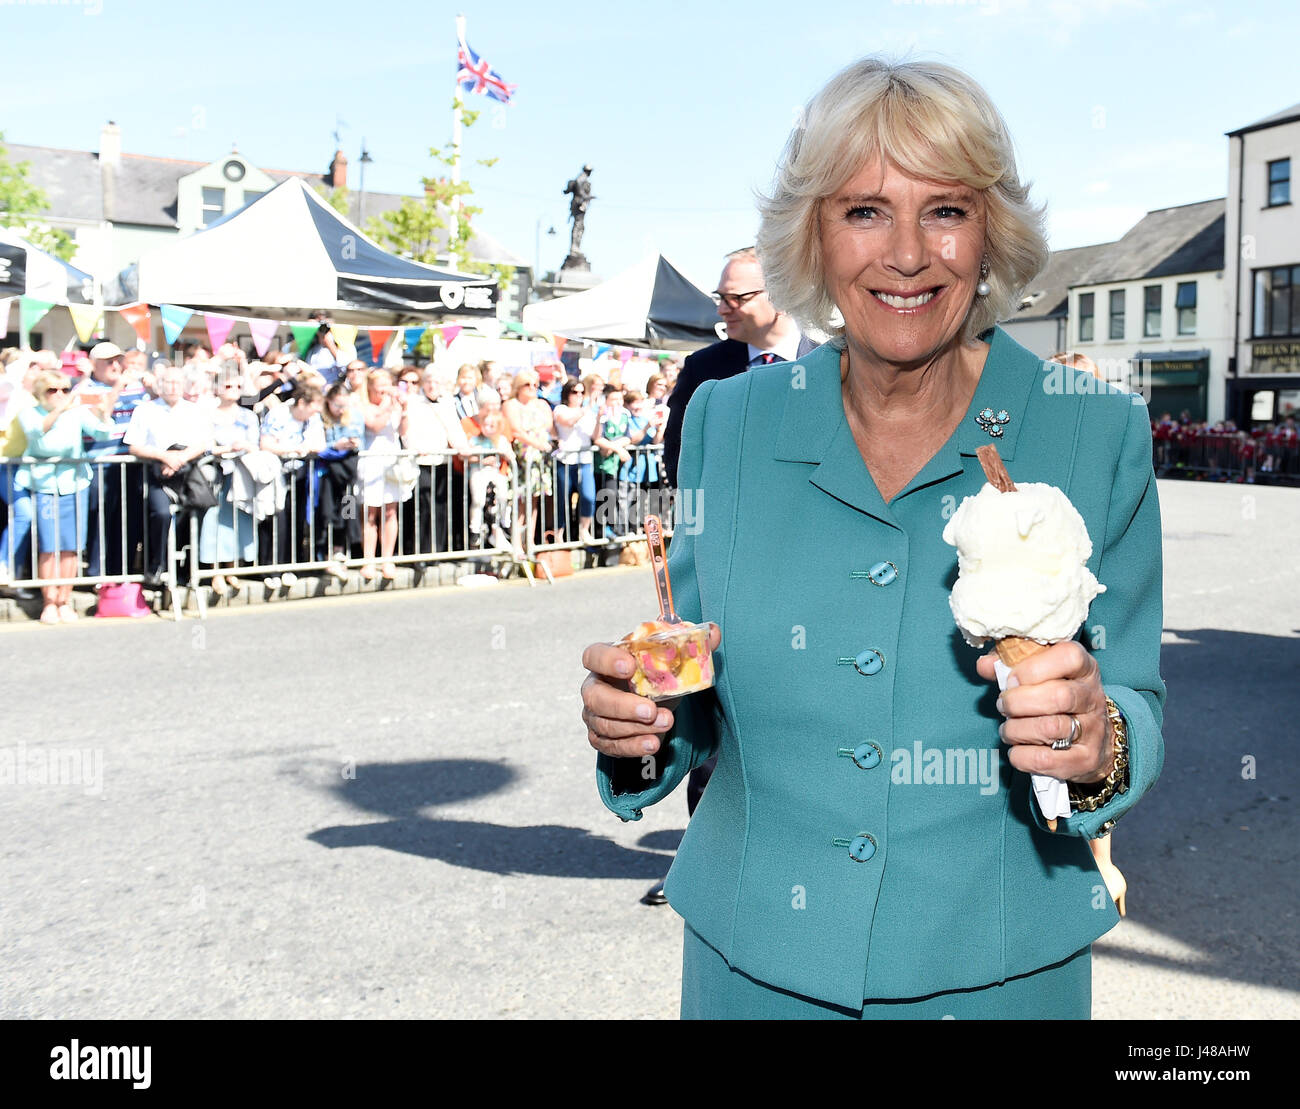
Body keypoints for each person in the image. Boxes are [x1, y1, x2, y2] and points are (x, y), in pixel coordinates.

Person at [579, 57, 1165, 1019]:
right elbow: (689, 697)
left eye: (945, 209)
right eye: (863, 211)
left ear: (990, 236)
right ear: (813, 237)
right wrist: (637, 732)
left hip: (1001, 974)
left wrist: (1099, 742)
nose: (906, 253)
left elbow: (1135, 694)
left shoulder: (1094, 429)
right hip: (754, 970)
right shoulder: (727, 422)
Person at [662, 247, 819, 488]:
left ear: (780, 295)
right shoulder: (702, 368)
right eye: (721, 297)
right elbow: (679, 458)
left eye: (736, 298)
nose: (722, 309)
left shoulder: (830, 360)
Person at [18, 370, 119, 622]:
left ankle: (64, 600)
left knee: (71, 547)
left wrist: (105, 412)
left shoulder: (77, 412)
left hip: (75, 484)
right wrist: (60, 410)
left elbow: (103, 433)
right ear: (40, 393)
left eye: (64, 389)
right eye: (53, 390)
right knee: (49, 547)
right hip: (44, 485)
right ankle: (49, 602)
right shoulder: (30, 411)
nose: (60, 395)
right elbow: (36, 435)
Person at [124, 364, 215, 587]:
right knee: (161, 514)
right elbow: (134, 446)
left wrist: (179, 458)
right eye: (168, 382)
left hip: (187, 472)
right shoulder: (145, 409)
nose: (173, 387)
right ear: (160, 385)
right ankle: (157, 563)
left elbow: (203, 443)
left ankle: (186, 569)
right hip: (156, 472)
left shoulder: (193, 410)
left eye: (177, 382)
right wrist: (164, 457)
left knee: (196, 512)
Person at [200, 364, 261, 596]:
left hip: (242, 476)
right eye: (228, 385)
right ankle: (215, 572)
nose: (234, 389)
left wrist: (244, 447)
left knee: (238, 522)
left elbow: (255, 443)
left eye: (238, 385)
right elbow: (205, 445)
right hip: (217, 475)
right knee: (214, 522)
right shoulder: (209, 415)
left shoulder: (248, 415)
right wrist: (224, 448)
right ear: (217, 388)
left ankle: (232, 569)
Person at [259, 381, 326, 585]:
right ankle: (270, 568)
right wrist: (291, 449)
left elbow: (320, 444)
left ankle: (290, 565)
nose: (314, 413)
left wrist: (303, 448)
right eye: (312, 407)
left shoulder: (312, 419)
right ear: (302, 403)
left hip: (299, 473)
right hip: (275, 474)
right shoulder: (279, 414)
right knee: (275, 520)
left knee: (295, 520)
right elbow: (266, 443)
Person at [358, 369, 411, 580]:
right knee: (370, 513)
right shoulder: (364, 405)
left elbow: (404, 431)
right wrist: (390, 404)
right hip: (370, 460)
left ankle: (387, 558)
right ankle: (368, 559)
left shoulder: (394, 407)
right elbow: (375, 424)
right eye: (379, 385)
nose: (384, 389)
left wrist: (404, 409)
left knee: (390, 511)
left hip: (391, 462)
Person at [552, 378, 596, 543]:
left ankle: (584, 530)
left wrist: (597, 416)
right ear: (567, 393)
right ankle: (559, 535)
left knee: (588, 496)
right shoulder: (560, 409)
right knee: (563, 499)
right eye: (574, 392)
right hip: (565, 460)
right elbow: (567, 422)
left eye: (581, 392)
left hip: (584, 459)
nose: (578, 395)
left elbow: (594, 434)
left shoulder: (587, 412)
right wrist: (586, 410)